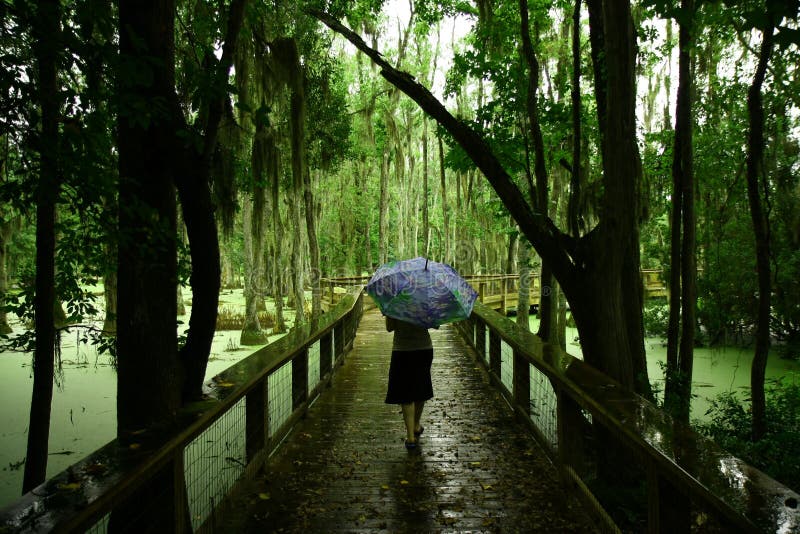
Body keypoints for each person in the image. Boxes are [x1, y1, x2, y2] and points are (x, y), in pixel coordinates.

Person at [384, 316, 433, 450]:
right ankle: (416, 424)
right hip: (424, 348)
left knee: (406, 393)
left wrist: (389, 315)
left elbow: (389, 328)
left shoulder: (394, 302)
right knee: (421, 388)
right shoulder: (426, 299)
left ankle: (410, 437)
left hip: (402, 350)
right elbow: (433, 324)